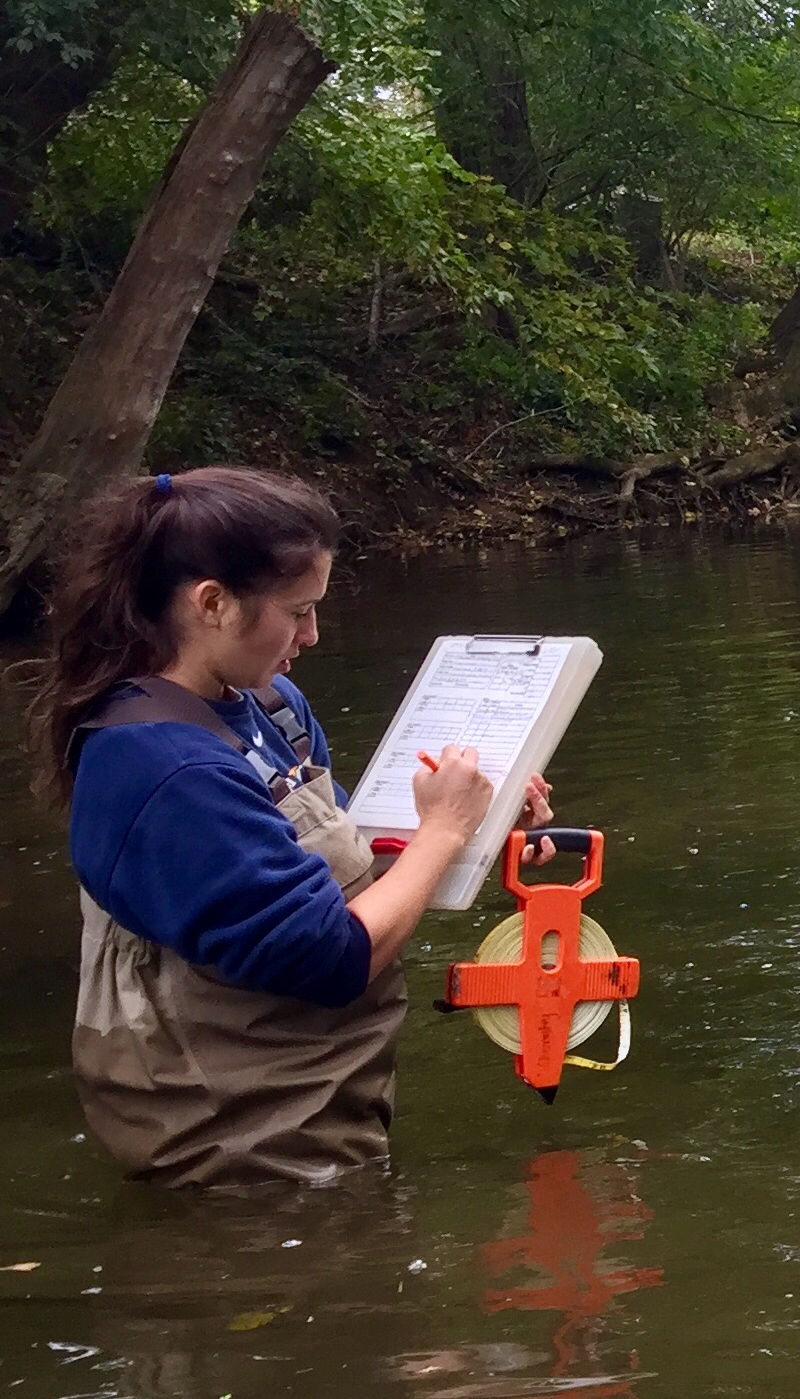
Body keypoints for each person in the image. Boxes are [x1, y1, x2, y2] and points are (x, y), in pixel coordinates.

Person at [31, 468, 550, 1187]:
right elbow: (330, 957)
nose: (312, 635)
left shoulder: (269, 705)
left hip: (318, 1109)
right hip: (233, 1146)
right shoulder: (161, 765)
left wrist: (478, 827)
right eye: (298, 611)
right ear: (211, 603)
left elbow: (351, 867)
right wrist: (441, 833)